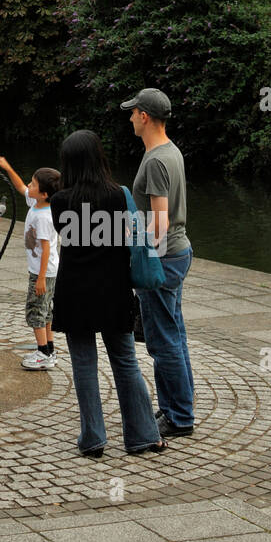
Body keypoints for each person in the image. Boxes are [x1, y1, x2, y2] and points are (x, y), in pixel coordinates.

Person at [50, 129, 165, 457]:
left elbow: (65, 234)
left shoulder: (60, 202)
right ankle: (143, 434)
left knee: (84, 365)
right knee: (126, 361)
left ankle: (93, 439)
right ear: (99, 158)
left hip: (75, 293)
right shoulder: (120, 195)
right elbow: (133, 237)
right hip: (114, 290)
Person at [121, 87, 195, 440]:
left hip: (164, 259)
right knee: (175, 336)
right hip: (178, 253)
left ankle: (179, 417)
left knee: (163, 341)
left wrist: (138, 259)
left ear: (145, 116)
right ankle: (178, 408)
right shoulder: (170, 151)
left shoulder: (154, 160)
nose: (130, 118)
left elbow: (160, 223)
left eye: (133, 112)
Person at [0, 157, 61, 370]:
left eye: (33, 184)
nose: (29, 186)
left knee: (35, 311)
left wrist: (40, 278)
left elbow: (46, 249)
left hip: (43, 272)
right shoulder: (37, 202)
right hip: (49, 272)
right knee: (45, 310)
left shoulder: (44, 217)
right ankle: (49, 348)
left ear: (44, 194)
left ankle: (42, 354)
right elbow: (20, 186)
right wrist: (6, 167)